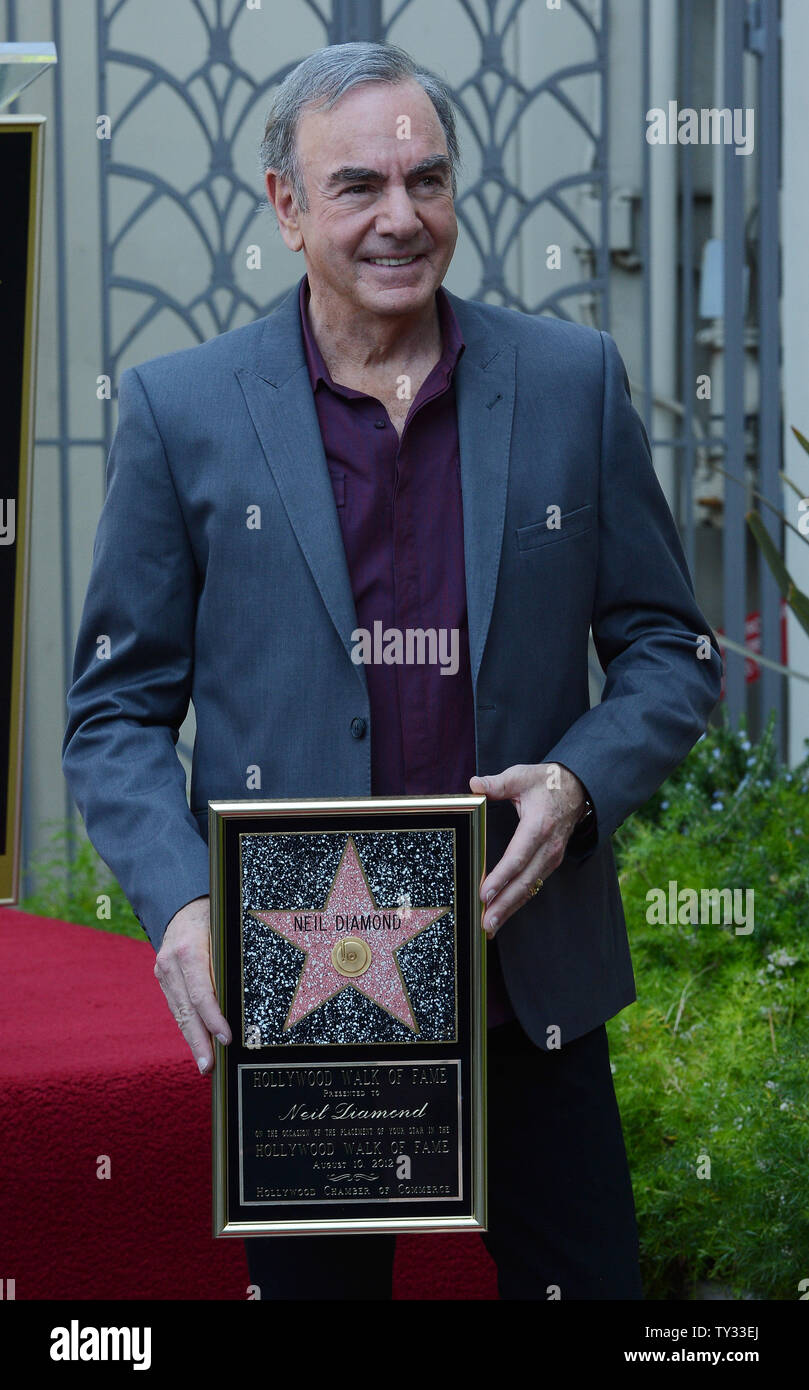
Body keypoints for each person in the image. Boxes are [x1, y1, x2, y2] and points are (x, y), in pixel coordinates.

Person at [62, 41, 722, 1300]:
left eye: (426, 180)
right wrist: (183, 903)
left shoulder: (570, 384)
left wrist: (579, 785)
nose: (399, 217)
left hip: (527, 970)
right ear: (285, 205)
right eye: (357, 184)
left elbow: (666, 647)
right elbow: (114, 712)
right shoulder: (180, 410)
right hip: (303, 991)